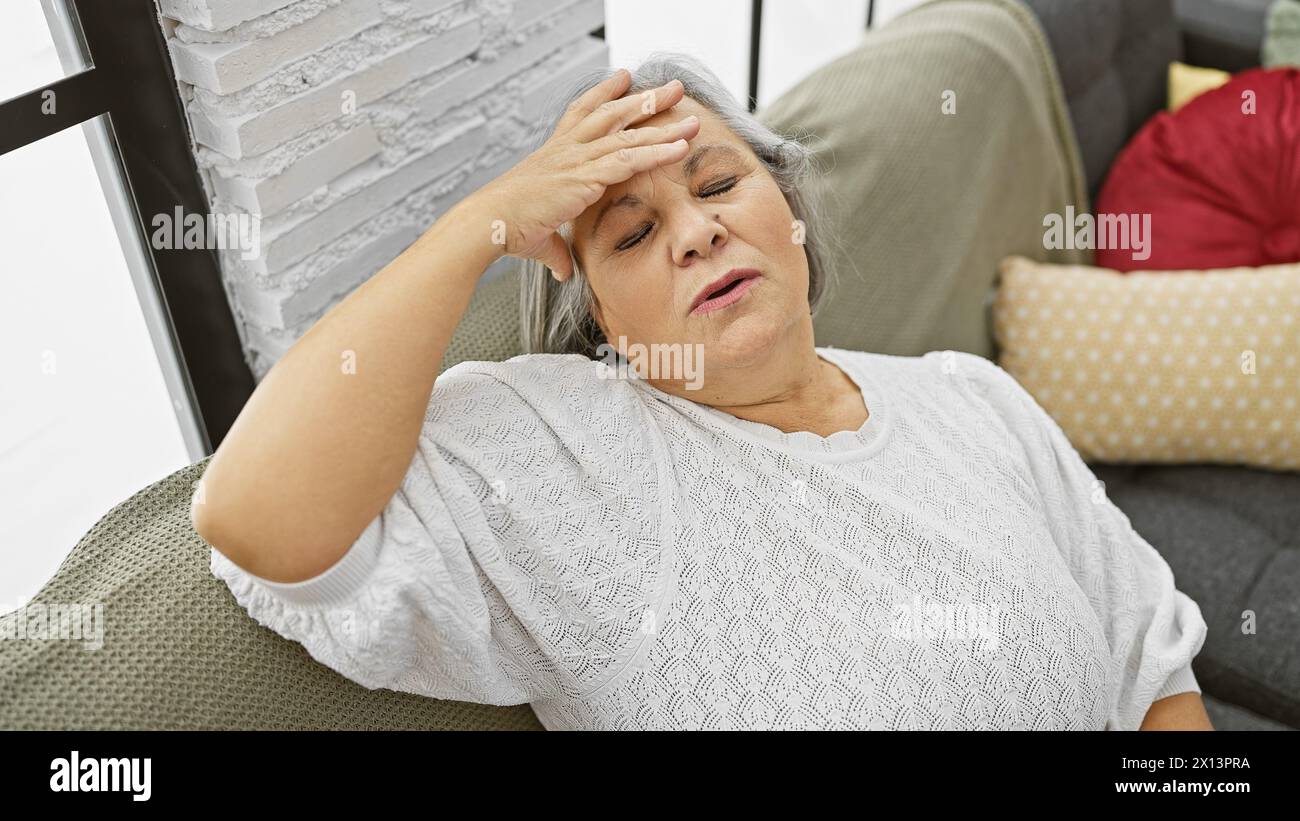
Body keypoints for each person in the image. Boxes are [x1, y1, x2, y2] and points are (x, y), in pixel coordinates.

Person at [192, 53, 1211, 730]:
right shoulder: (573, 449)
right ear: (603, 325)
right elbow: (259, 518)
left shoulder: (970, 397)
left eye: (718, 185)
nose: (694, 229)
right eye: (630, 233)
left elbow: (1150, 663)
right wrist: (484, 222)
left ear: (792, 216)